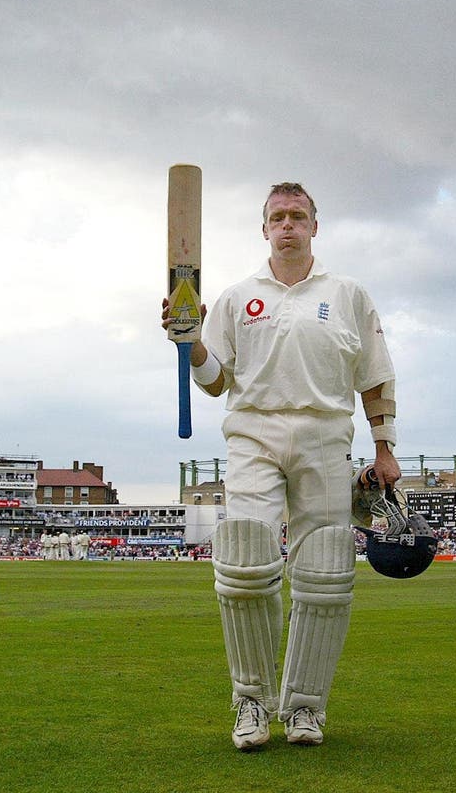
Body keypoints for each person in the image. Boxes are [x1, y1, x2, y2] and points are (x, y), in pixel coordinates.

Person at [161, 182, 400, 750]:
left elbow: (375, 376)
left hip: (325, 432)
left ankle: (304, 709)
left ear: (315, 226)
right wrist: (190, 341)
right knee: (244, 555)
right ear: (264, 228)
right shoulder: (236, 297)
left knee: (325, 573)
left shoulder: (348, 295)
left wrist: (385, 446)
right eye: (277, 217)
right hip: (253, 430)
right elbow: (216, 380)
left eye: (298, 216)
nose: (287, 224)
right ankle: (250, 703)